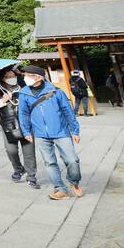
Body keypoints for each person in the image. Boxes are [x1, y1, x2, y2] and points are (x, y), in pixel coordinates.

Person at [18, 65, 82, 200]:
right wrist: (26, 131)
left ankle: (74, 181)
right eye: (25, 75)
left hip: (61, 131)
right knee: (50, 162)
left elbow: (68, 111)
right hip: (40, 133)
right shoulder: (24, 93)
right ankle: (60, 188)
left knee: (72, 160)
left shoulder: (56, 91)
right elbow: (23, 114)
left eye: (29, 75)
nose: (25, 77)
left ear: (39, 77)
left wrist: (75, 130)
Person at [0, 69, 37, 186]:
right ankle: (18, 168)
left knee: (29, 151)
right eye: (8, 76)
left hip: (25, 123)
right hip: (8, 125)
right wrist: (3, 100)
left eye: (13, 75)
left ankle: (31, 175)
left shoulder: (23, 88)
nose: (12, 77)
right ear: (2, 79)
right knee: (11, 150)